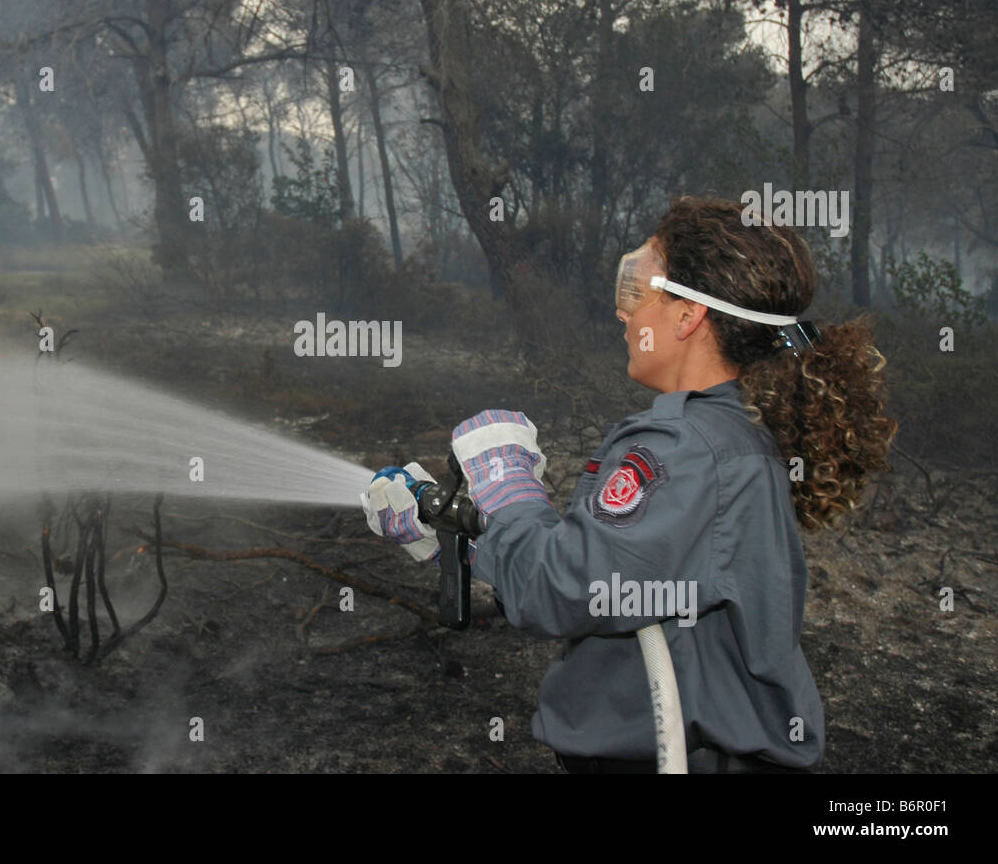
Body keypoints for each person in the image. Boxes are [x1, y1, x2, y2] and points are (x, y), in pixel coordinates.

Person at [363, 196, 897, 773]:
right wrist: (452, 524)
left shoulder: (689, 451)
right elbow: (624, 568)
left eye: (640, 291)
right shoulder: (731, 431)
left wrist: (507, 484)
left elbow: (561, 590)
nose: (624, 313)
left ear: (688, 316)